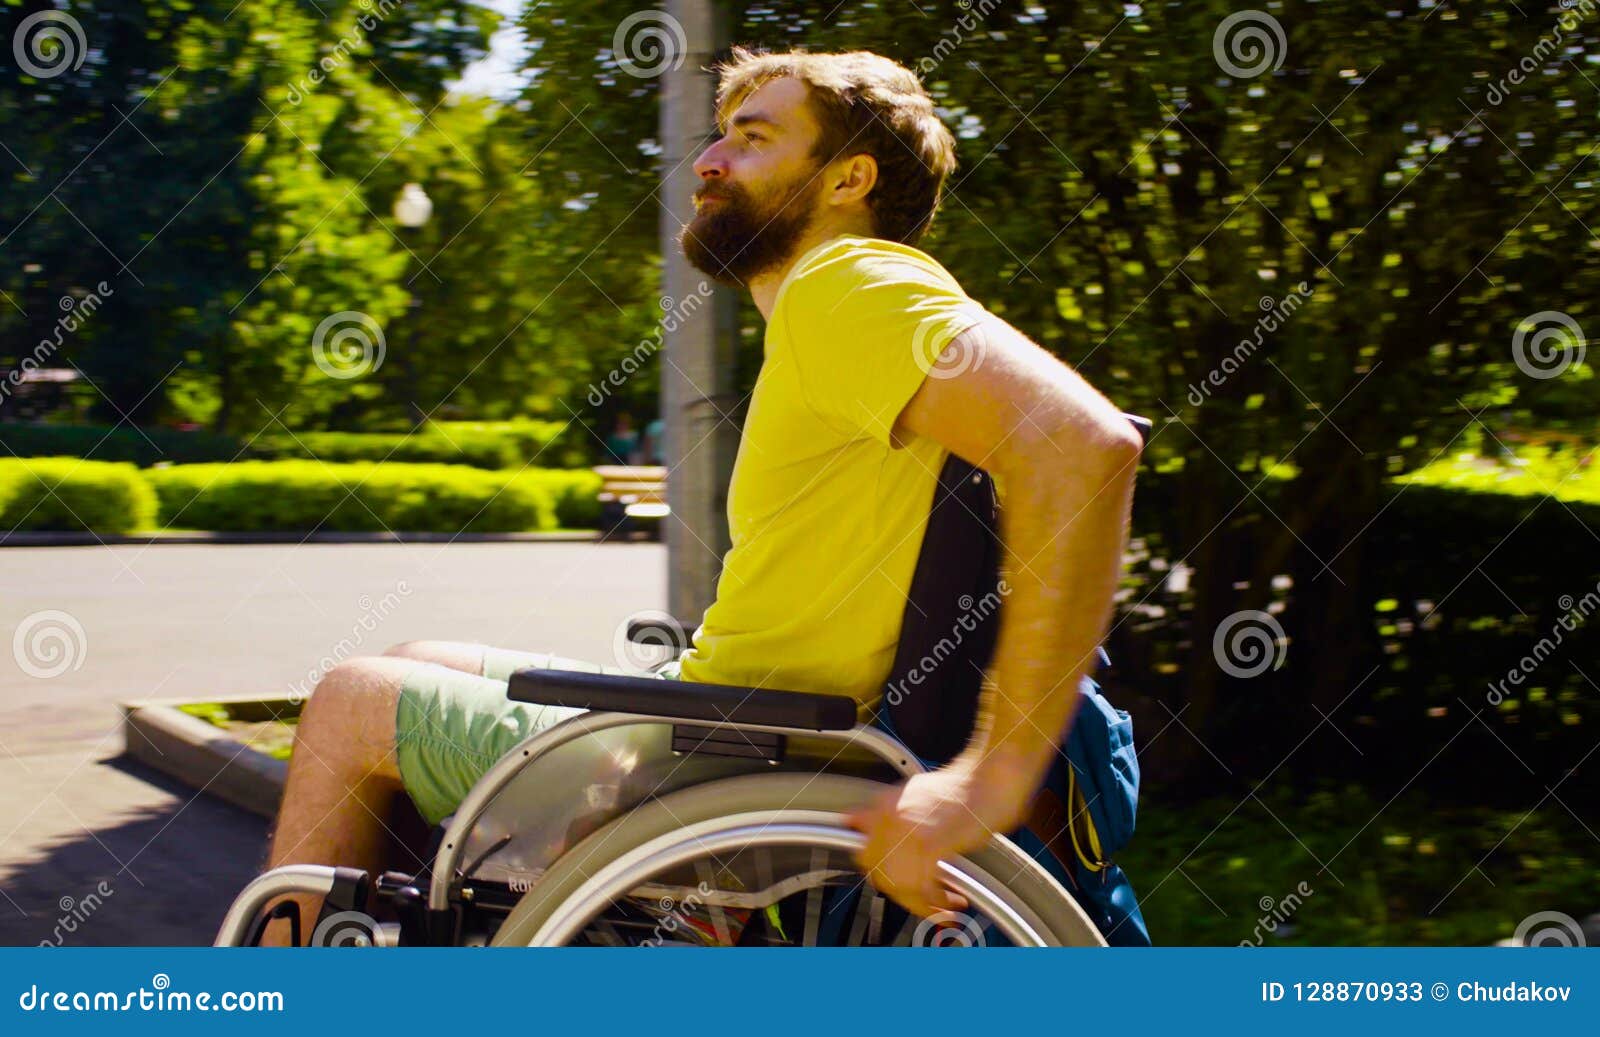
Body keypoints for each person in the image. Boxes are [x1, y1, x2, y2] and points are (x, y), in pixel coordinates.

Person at [262, 46, 1145, 944]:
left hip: (737, 748)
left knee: (350, 700)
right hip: (746, 723)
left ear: (850, 176)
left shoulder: (845, 286)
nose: (708, 162)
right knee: (421, 654)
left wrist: (988, 781)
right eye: (719, 136)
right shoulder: (844, 312)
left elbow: (1086, 444)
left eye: (753, 140)